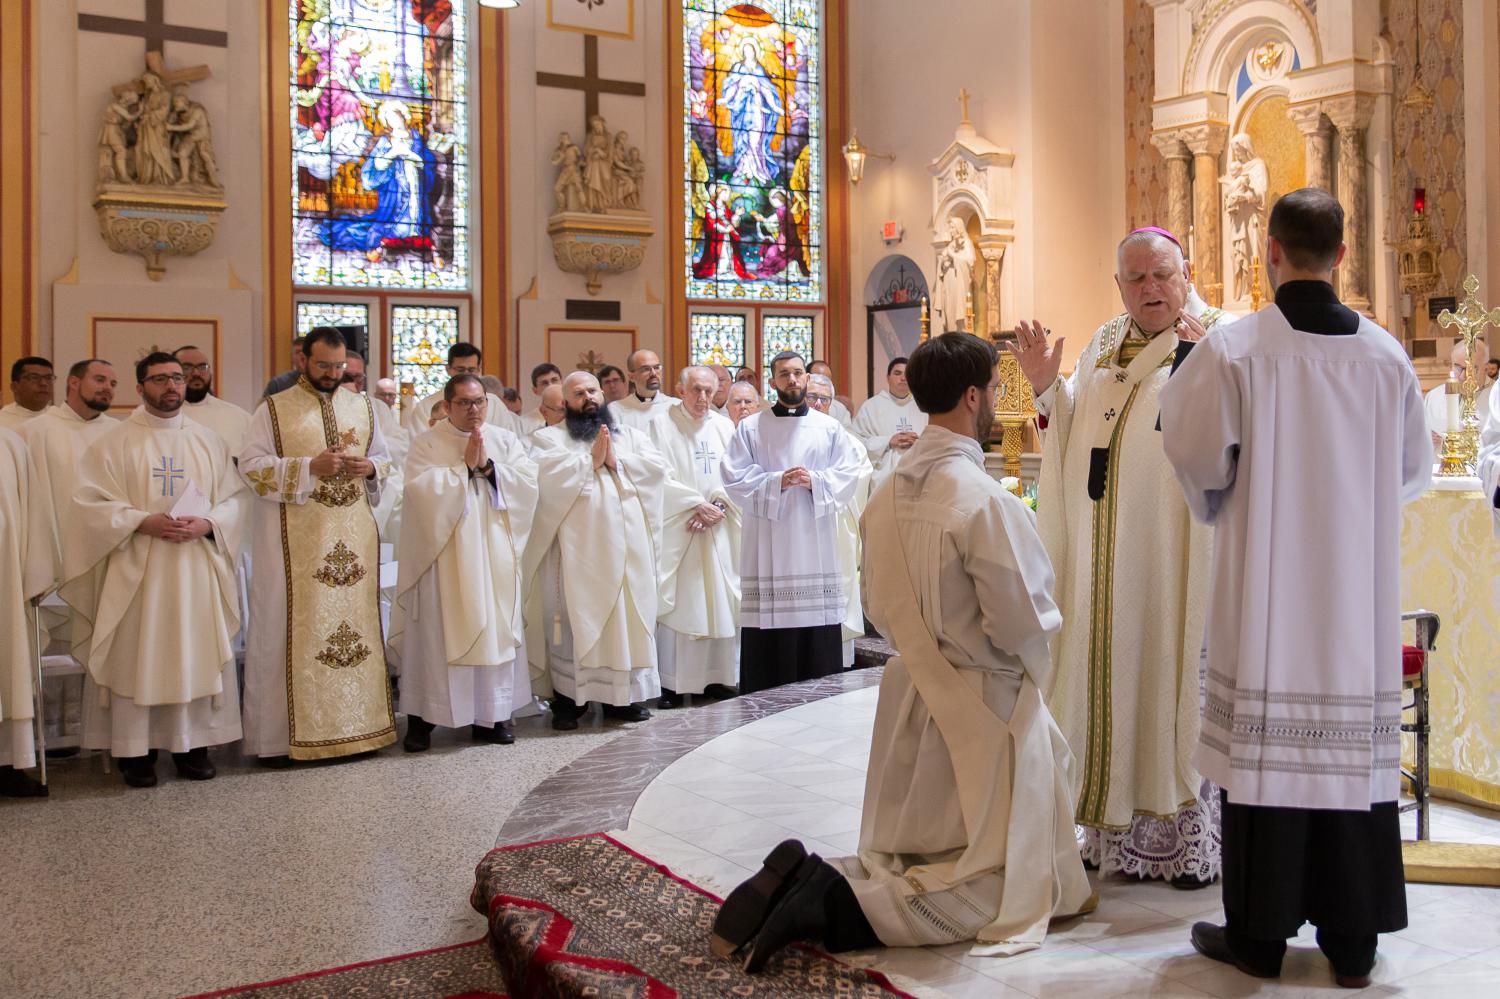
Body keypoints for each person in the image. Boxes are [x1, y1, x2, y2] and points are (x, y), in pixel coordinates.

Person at [711, 334, 1093, 971]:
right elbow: (1023, 623)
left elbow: (878, 605)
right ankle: (829, 904)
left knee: (918, 854)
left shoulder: (886, 493)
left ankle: (809, 874)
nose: (996, 400)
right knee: (1005, 883)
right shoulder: (985, 501)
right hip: (980, 710)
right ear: (975, 397)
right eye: (996, 390)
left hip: (912, 697)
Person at [1160, 188, 1431, 989]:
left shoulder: (1235, 349)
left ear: (1268, 251)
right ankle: (1353, 942)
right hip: (1354, 603)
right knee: (1350, 761)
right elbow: (1412, 472)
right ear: (1342, 255)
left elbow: (1200, 457)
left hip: (1268, 597)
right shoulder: (1386, 357)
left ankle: (1260, 935)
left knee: (1268, 758)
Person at [1011, 226, 1233, 889]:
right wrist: (1049, 390)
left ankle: (1190, 847)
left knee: (1168, 677)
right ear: (1118, 286)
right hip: (1103, 560)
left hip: (1177, 555)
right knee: (1108, 676)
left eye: (1162, 273)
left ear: (1188, 271)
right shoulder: (1105, 342)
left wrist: (1197, 369)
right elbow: (1075, 430)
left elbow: (1232, 439)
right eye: (1135, 279)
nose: (1150, 289)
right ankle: (1114, 838)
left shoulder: (1218, 337)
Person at [64, 353, 247, 787]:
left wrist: (208, 524)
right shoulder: (113, 443)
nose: (172, 386)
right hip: (137, 572)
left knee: (194, 650)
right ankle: (136, 752)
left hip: (195, 568)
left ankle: (193, 747)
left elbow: (236, 499)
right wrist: (139, 521)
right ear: (140, 386)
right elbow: (87, 505)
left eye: (178, 378)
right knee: (137, 655)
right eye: (160, 378)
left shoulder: (208, 440)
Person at [240, 327, 397, 766]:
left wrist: (369, 468)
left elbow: (385, 463)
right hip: (293, 551)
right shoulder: (272, 409)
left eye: (339, 366)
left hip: (353, 548)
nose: (332, 373)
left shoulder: (365, 407)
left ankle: (360, 730)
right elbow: (251, 469)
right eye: (323, 365)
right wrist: (310, 466)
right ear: (302, 361)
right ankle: (279, 741)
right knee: (287, 631)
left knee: (357, 634)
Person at [522, 371, 680, 729]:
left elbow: (658, 472)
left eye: (593, 390)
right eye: (579, 393)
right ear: (565, 402)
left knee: (624, 622)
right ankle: (569, 701)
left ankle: (621, 699)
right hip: (576, 557)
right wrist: (587, 462)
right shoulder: (548, 440)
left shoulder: (631, 437)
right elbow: (541, 482)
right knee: (575, 625)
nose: (589, 397)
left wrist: (617, 462)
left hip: (628, 555)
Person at [390, 375, 539, 751]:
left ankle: (491, 717)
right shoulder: (427, 442)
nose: (474, 411)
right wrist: (463, 471)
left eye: (479, 403)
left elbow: (527, 485)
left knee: (492, 627)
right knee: (434, 636)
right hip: (442, 557)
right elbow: (416, 492)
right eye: (465, 403)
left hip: (491, 556)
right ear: (448, 405)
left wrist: (489, 469)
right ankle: (424, 718)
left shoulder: (504, 440)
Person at [722, 351, 866, 694]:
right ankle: (766, 690)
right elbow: (733, 475)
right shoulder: (751, 427)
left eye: (798, 373)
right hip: (768, 540)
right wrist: (776, 482)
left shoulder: (829, 428)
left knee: (815, 625)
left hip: (813, 537)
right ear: (772, 382)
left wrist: (815, 481)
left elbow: (848, 474)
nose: (792, 380)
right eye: (784, 374)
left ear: (806, 378)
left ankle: (818, 690)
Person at [20, 360, 121, 744]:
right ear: (74, 382)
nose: (108, 388)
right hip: (53, 559)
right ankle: (46, 734)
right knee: (53, 644)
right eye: (100, 380)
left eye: (113, 383)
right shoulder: (35, 432)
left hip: (104, 559)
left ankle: (89, 729)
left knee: (99, 644)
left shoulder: (120, 434)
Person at [649, 367, 741, 708]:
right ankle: (674, 684)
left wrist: (717, 503)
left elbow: (734, 471)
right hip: (681, 526)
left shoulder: (724, 426)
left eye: (708, 391)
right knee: (683, 603)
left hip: (717, 525)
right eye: (695, 390)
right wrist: (694, 505)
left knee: (718, 601)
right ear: (680, 390)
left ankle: (718, 678)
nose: (702, 398)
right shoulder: (661, 424)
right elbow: (657, 474)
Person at [808, 373, 874, 667]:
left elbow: (860, 478)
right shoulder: (787, 436)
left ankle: (837, 658)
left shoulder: (848, 442)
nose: (818, 404)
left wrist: (819, 489)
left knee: (838, 588)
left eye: (824, 399)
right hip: (801, 531)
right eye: (812, 397)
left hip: (837, 529)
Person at [0, 425, 45, 797]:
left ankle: (7, 763)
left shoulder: (9, 442)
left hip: (5, 578)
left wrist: (35, 568)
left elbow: (32, 511)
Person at [402, 343, 521, 436]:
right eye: (460, 369)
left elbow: (509, 442)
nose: (466, 374)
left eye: (471, 370)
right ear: (448, 369)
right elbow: (419, 445)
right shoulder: (425, 407)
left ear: (479, 370)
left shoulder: (494, 404)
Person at [853, 357, 926, 488]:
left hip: (919, 476)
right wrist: (887, 441)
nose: (903, 378)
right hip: (883, 480)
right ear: (888, 377)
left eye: (907, 374)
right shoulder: (871, 406)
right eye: (897, 373)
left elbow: (937, 440)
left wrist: (919, 442)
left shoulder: (924, 406)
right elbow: (856, 444)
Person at [174, 345, 251, 456]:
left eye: (202, 367)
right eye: (187, 368)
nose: (196, 373)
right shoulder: (159, 416)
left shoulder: (240, 417)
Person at [1423, 341, 1491, 449]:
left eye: (1471, 368)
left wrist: (1450, 443)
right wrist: (1425, 438)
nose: (1463, 376)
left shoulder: (1495, 397)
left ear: (1486, 368)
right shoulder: (1433, 397)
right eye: (1458, 367)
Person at [614, 349, 678, 430]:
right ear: (631, 377)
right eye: (646, 369)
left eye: (657, 367)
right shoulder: (615, 410)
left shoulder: (676, 406)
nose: (654, 373)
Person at [2, 356, 54, 432]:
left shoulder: (61, 419)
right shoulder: (2, 422)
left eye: (48, 378)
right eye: (34, 378)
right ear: (14, 387)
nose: (43, 383)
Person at [518, 363, 564, 434]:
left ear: (562, 382)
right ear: (535, 390)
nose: (550, 385)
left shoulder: (575, 414)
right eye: (544, 383)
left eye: (554, 380)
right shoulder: (523, 423)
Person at [808, 360, 853, 430]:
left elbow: (847, 435)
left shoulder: (840, 410)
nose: (822, 381)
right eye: (817, 378)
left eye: (827, 379)